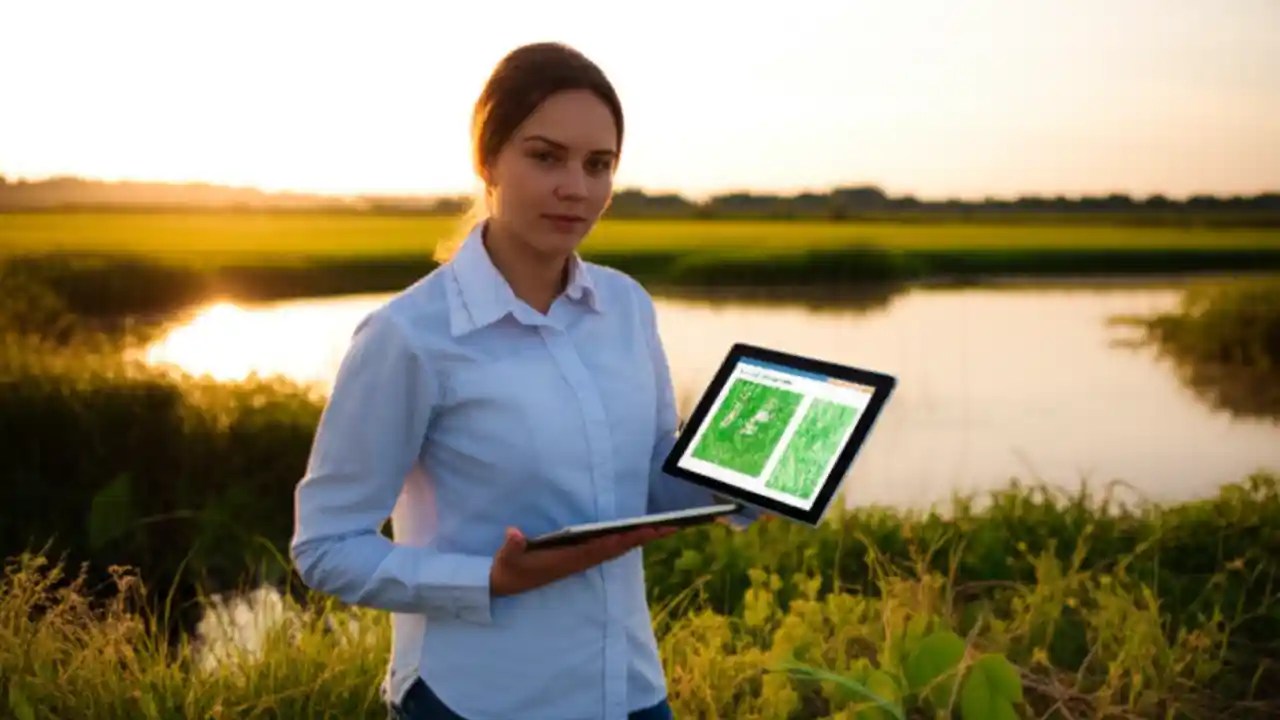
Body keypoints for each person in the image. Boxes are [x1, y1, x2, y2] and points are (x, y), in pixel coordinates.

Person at [289, 42, 763, 720]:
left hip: (628, 690)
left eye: (599, 164)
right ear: (487, 161)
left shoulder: (627, 306)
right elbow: (327, 549)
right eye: (546, 157)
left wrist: (742, 475)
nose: (577, 186)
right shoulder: (409, 337)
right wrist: (487, 580)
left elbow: (647, 485)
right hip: (476, 700)